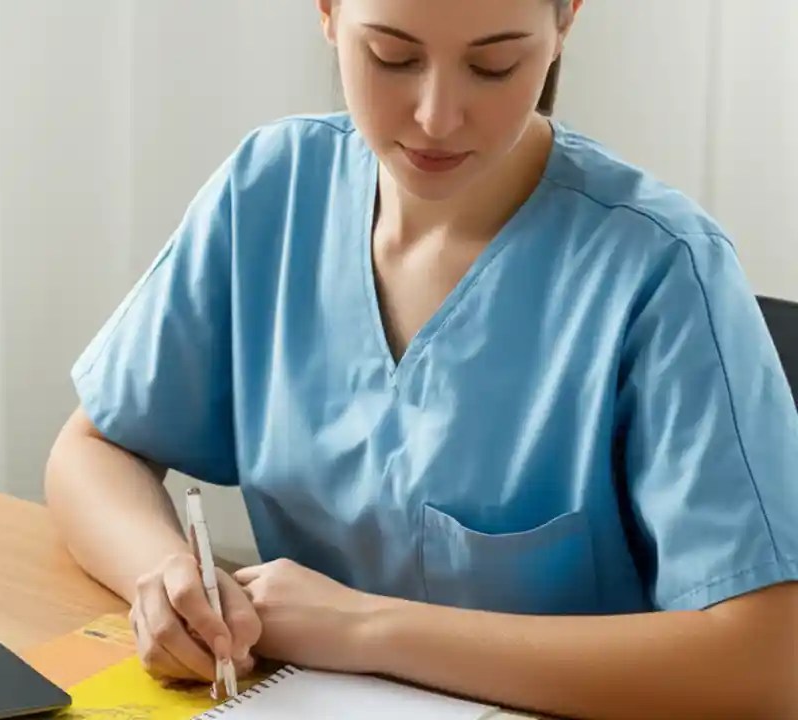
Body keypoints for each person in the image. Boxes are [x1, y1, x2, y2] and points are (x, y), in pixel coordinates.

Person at [44, 0, 798, 717]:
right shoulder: (271, 188)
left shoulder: (661, 270)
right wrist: (168, 575)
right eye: (392, 56)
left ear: (567, 19)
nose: (437, 116)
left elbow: (770, 660)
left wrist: (368, 628)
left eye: (495, 66)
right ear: (328, 12)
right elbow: (94, 447)